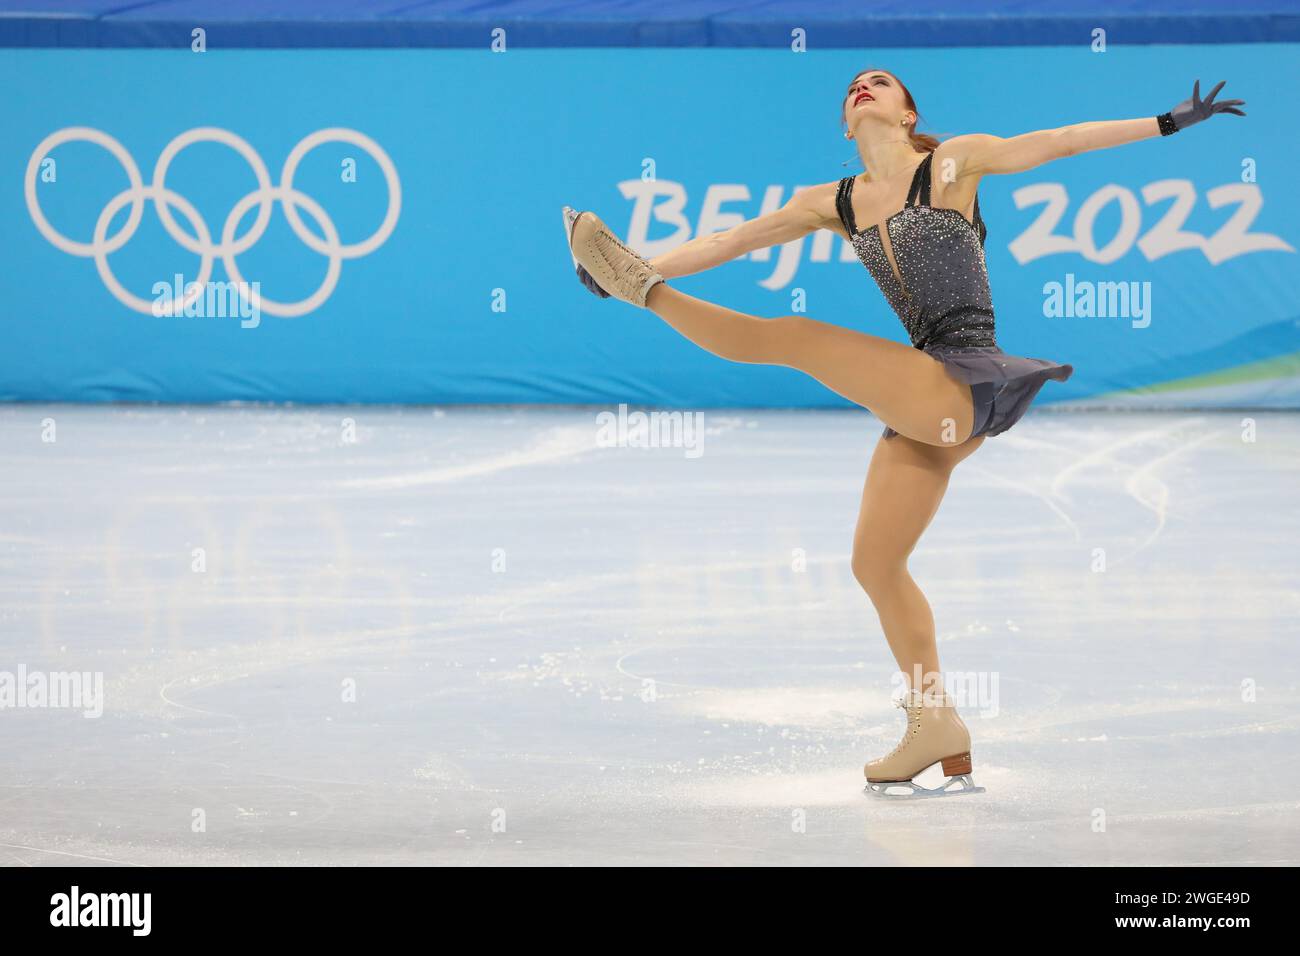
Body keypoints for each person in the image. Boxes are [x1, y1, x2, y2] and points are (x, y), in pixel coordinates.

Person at [562, 74, 1244, 798]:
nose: (864, 88)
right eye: (854, 86)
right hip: (929, 403)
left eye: (880, 82)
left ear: (908, 111)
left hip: (961, 381)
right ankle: (934, 722)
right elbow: (726, 240)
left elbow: (1059, 142)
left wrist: (1165, 122)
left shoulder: (951, 164)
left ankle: (642, 293)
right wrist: (635, 262)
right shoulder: (832, 201)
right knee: (876, 564)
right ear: (844, 122)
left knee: (795, 336)